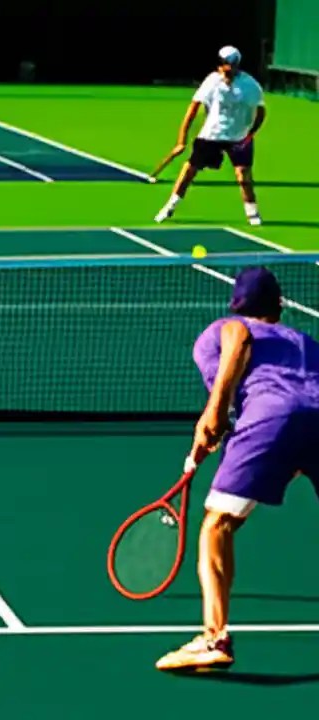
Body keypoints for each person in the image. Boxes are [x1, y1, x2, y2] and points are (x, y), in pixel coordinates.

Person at [155, 267, 319, 672]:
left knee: (217, 525)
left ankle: (214, 638)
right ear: (278, 306)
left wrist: (211, 414)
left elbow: (238, 340)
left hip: (272, 416)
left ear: (236, 305)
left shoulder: (225, 328)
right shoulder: (308, 342)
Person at [155, 46, 266, 227]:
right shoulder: (211, 82)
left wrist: (250, 134)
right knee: (189, 171)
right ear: (219, 65)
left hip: (239, 136)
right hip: (211, 135)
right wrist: (181, 139)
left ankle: (252, 213)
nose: (228, 69)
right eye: (225, 65)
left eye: (232, 65)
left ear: (237, 65)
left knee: (243, 176)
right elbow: (192, 110)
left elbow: (261, 112)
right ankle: (170, 206)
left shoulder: (250, 86)